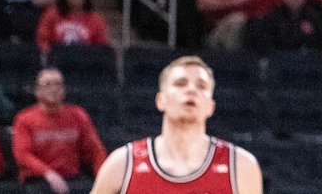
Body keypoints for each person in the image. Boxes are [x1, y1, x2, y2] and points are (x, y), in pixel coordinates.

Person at [89, 56, 262, 194]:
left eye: (201, 86)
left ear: (210, 106)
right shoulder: (122, 163)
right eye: (181, 84)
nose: (191, 90)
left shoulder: (241, 166)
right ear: (160, 100)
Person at [12, 68, 107, 194]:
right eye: (47, 85)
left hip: (71, 178)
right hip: (38, 179)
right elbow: (23, 155)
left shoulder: (78, 115)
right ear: (37, 91)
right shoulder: (24, 118)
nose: (54, 89)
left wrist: (104, 178)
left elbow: (95, 150)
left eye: (58, 84)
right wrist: (48, 173)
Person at [36, 0, 110, 52]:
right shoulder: (51, 14)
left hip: (86, 60)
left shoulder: (96, 19)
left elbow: (101, 46)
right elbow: (42, 40)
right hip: (58, 59)